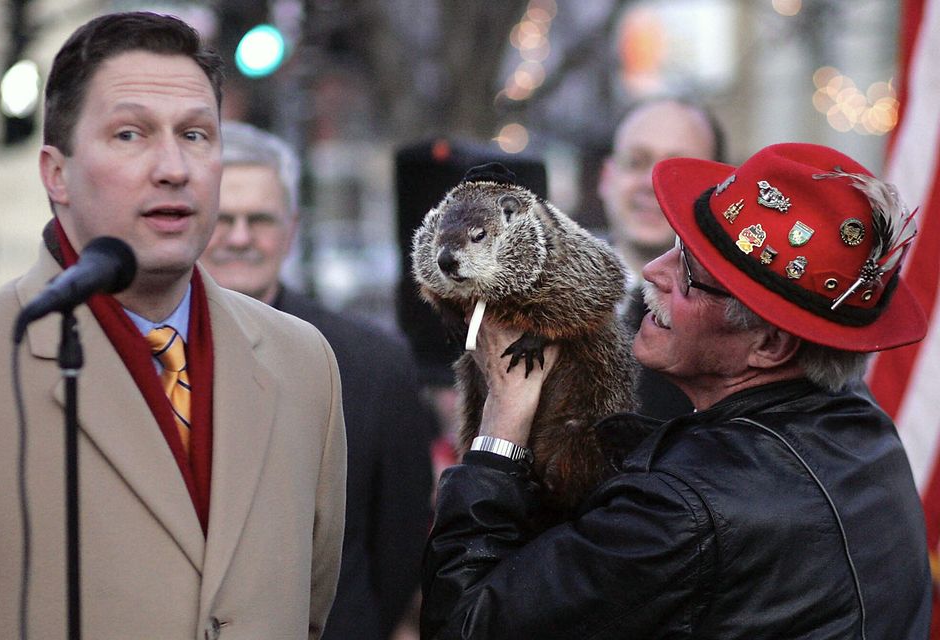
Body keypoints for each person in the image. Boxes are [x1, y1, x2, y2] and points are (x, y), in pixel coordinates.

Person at [420, 143, 931, 638]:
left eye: (690, 274)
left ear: (770, 345)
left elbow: (465, 623)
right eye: (678, 245)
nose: (653, 271)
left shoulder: (680, 513)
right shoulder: (862, 424)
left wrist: (501, 426)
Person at [0, 13, 345, 639]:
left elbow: (310, 609)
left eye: (196, 135)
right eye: (130, 134)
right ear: (56, 173)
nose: (174, 167)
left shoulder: (302, 362)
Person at [200, 121, 434, 640]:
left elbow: (399, 540)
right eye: (222, 219)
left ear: (292, 228)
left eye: (260, 219)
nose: (240, 237)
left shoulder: (374, 363)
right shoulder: (154, 353)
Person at [598, 96, 727, 420]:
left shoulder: (741, 324)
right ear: (606, 177)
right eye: (635, 162)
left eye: (677, 169)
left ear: (722, 189)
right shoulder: (537, 292)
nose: (650, 183)